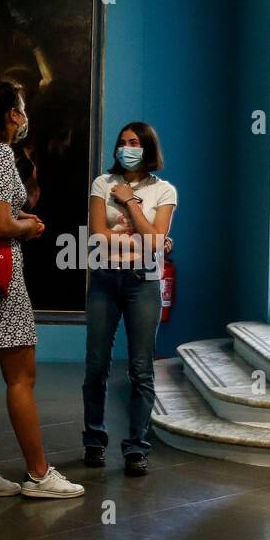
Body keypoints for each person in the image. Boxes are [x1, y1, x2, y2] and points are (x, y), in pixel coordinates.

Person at [0, 80, 84, 500]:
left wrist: (15, 216)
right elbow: (3, 225)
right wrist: (30, 226)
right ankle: (39, 475)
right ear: (11, 114)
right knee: (21, 378)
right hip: (2, 284)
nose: (24, 116)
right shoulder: (3, 154)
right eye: (21, 108)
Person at [82, 123, 176, 476]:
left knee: (141, 369)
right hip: (105, 279)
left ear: (148, 147)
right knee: (96, 365)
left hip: (143, 283)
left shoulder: (164, 191)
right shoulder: (101, 184)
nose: (126, 148)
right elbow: (97, 237)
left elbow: (153, 243)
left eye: (134, 143)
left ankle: (136, 447)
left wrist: (131, 203)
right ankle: (94, 439)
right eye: (122, 143)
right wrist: (148, 240)